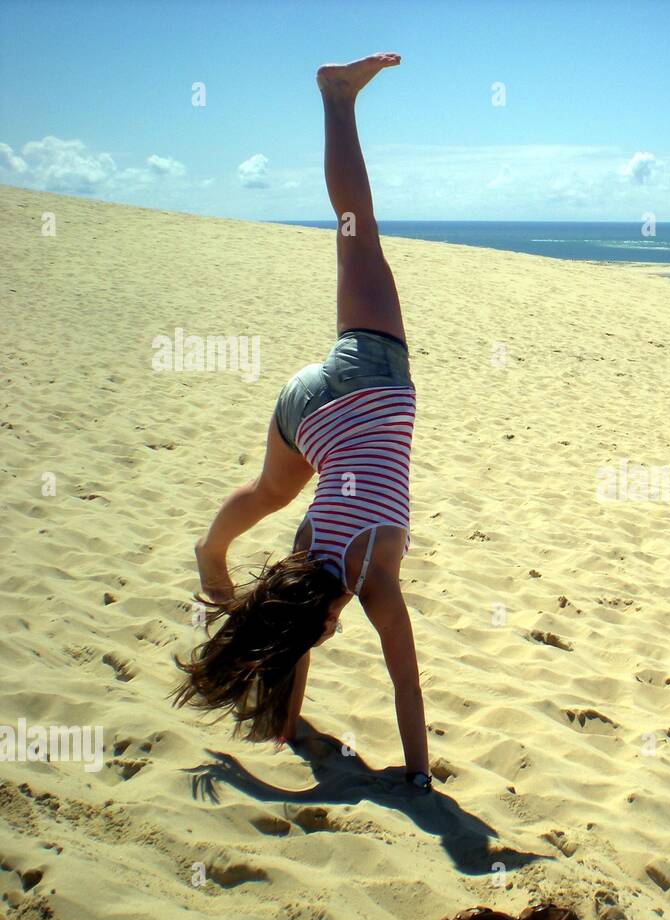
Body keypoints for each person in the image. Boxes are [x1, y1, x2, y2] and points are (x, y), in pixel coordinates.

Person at [174, 54, 432, 792]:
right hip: (306, 410)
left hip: (369, 380)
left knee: (358, 230)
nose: (326, 634)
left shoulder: (370, 577)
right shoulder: (308, 549)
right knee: (269, 490)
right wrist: (284, 728)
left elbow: (406, 687)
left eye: (315, 635)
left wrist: (419, 776)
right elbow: (305, 631)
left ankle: (336, 97)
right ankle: (209, 547)